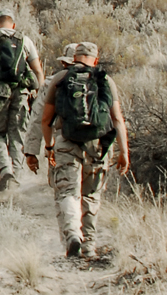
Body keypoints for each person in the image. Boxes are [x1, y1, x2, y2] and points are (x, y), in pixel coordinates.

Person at [24, 41, 131, 260]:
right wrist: (123, 152)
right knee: (91, 196)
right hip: (98, 146)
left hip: (65, 142)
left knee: (67, 192)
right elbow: (117, 119)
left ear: (73, 60)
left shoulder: (60, 79)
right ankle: (89, 245)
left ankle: (73, 234)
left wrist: (47, 147)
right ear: (96, 59)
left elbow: (43, 119)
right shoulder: (106, 80)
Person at [0, 11, 44, 190]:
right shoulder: (25, 40)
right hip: (21, 93)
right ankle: (17, 176)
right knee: (17, 135)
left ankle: (5, 168)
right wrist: (39, 94)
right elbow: (38, 70)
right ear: (13, 25)